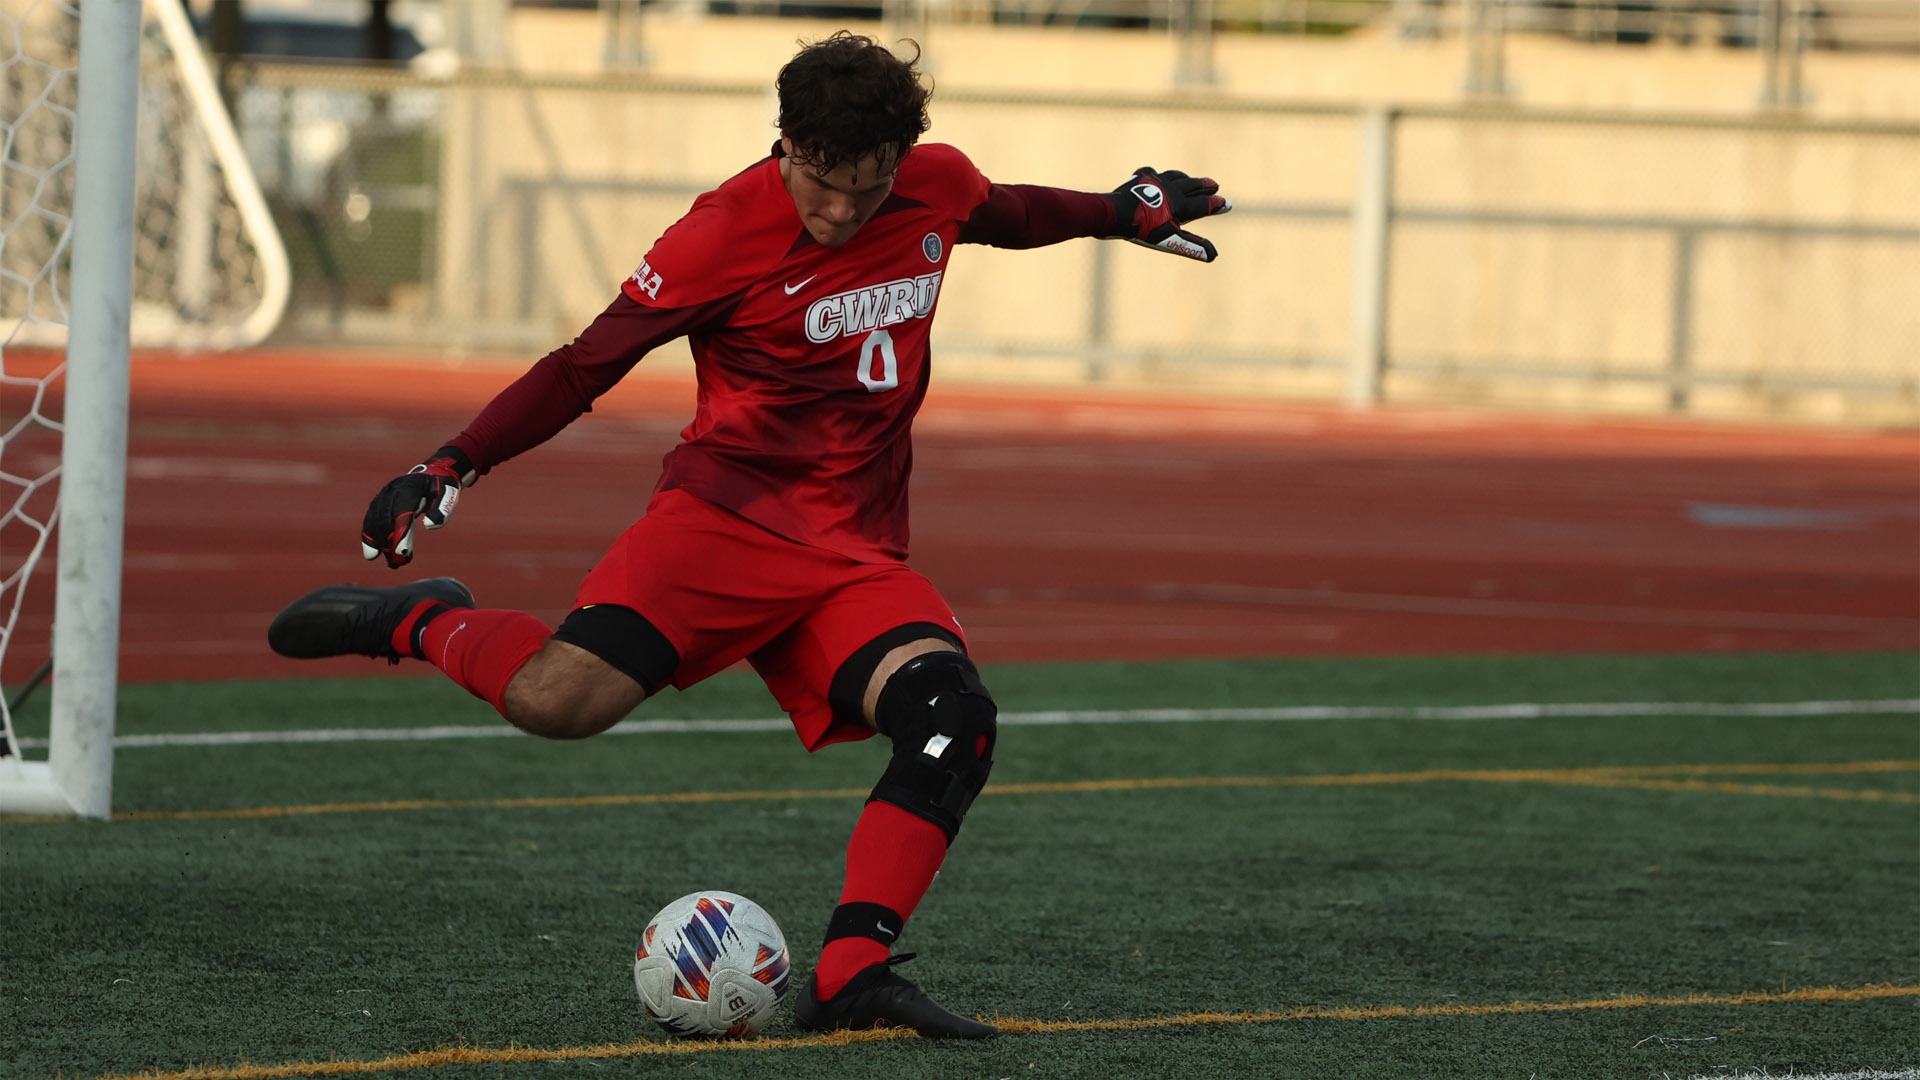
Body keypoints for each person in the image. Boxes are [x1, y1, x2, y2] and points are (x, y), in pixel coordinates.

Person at [268, 30, 1230, 1039]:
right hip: (721, 526)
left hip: (853, 553)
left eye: (866, 187)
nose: (842, 210)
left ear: (901, 160)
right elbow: (581, 367)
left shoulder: (933, 184)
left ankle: (854, 969)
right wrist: (451, 462)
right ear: (786, 144)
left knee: (956, 721)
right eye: (822, 184)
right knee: (556, 705)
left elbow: (1009, 211)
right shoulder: (720, 230)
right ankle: (426, 622)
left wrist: (1122, 212)